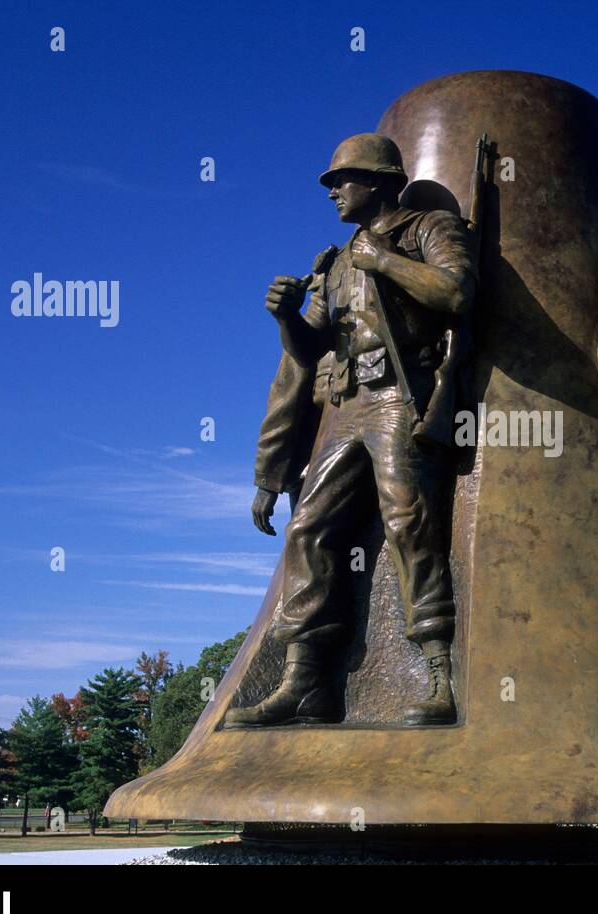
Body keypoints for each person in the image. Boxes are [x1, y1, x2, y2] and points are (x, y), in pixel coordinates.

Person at [226, 134, 475, 728]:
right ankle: (305, 681)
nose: (333, 192)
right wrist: (287, 317)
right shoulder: (334, 263)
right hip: (345, 404)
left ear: (381, 181)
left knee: (408, 521)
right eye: (332, 183)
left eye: (343, 180)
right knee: (307, 529)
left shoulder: (427, 228)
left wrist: (384, 261)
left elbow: (457, 292)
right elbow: (310, 348)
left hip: (399, 394)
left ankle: (439, 670)